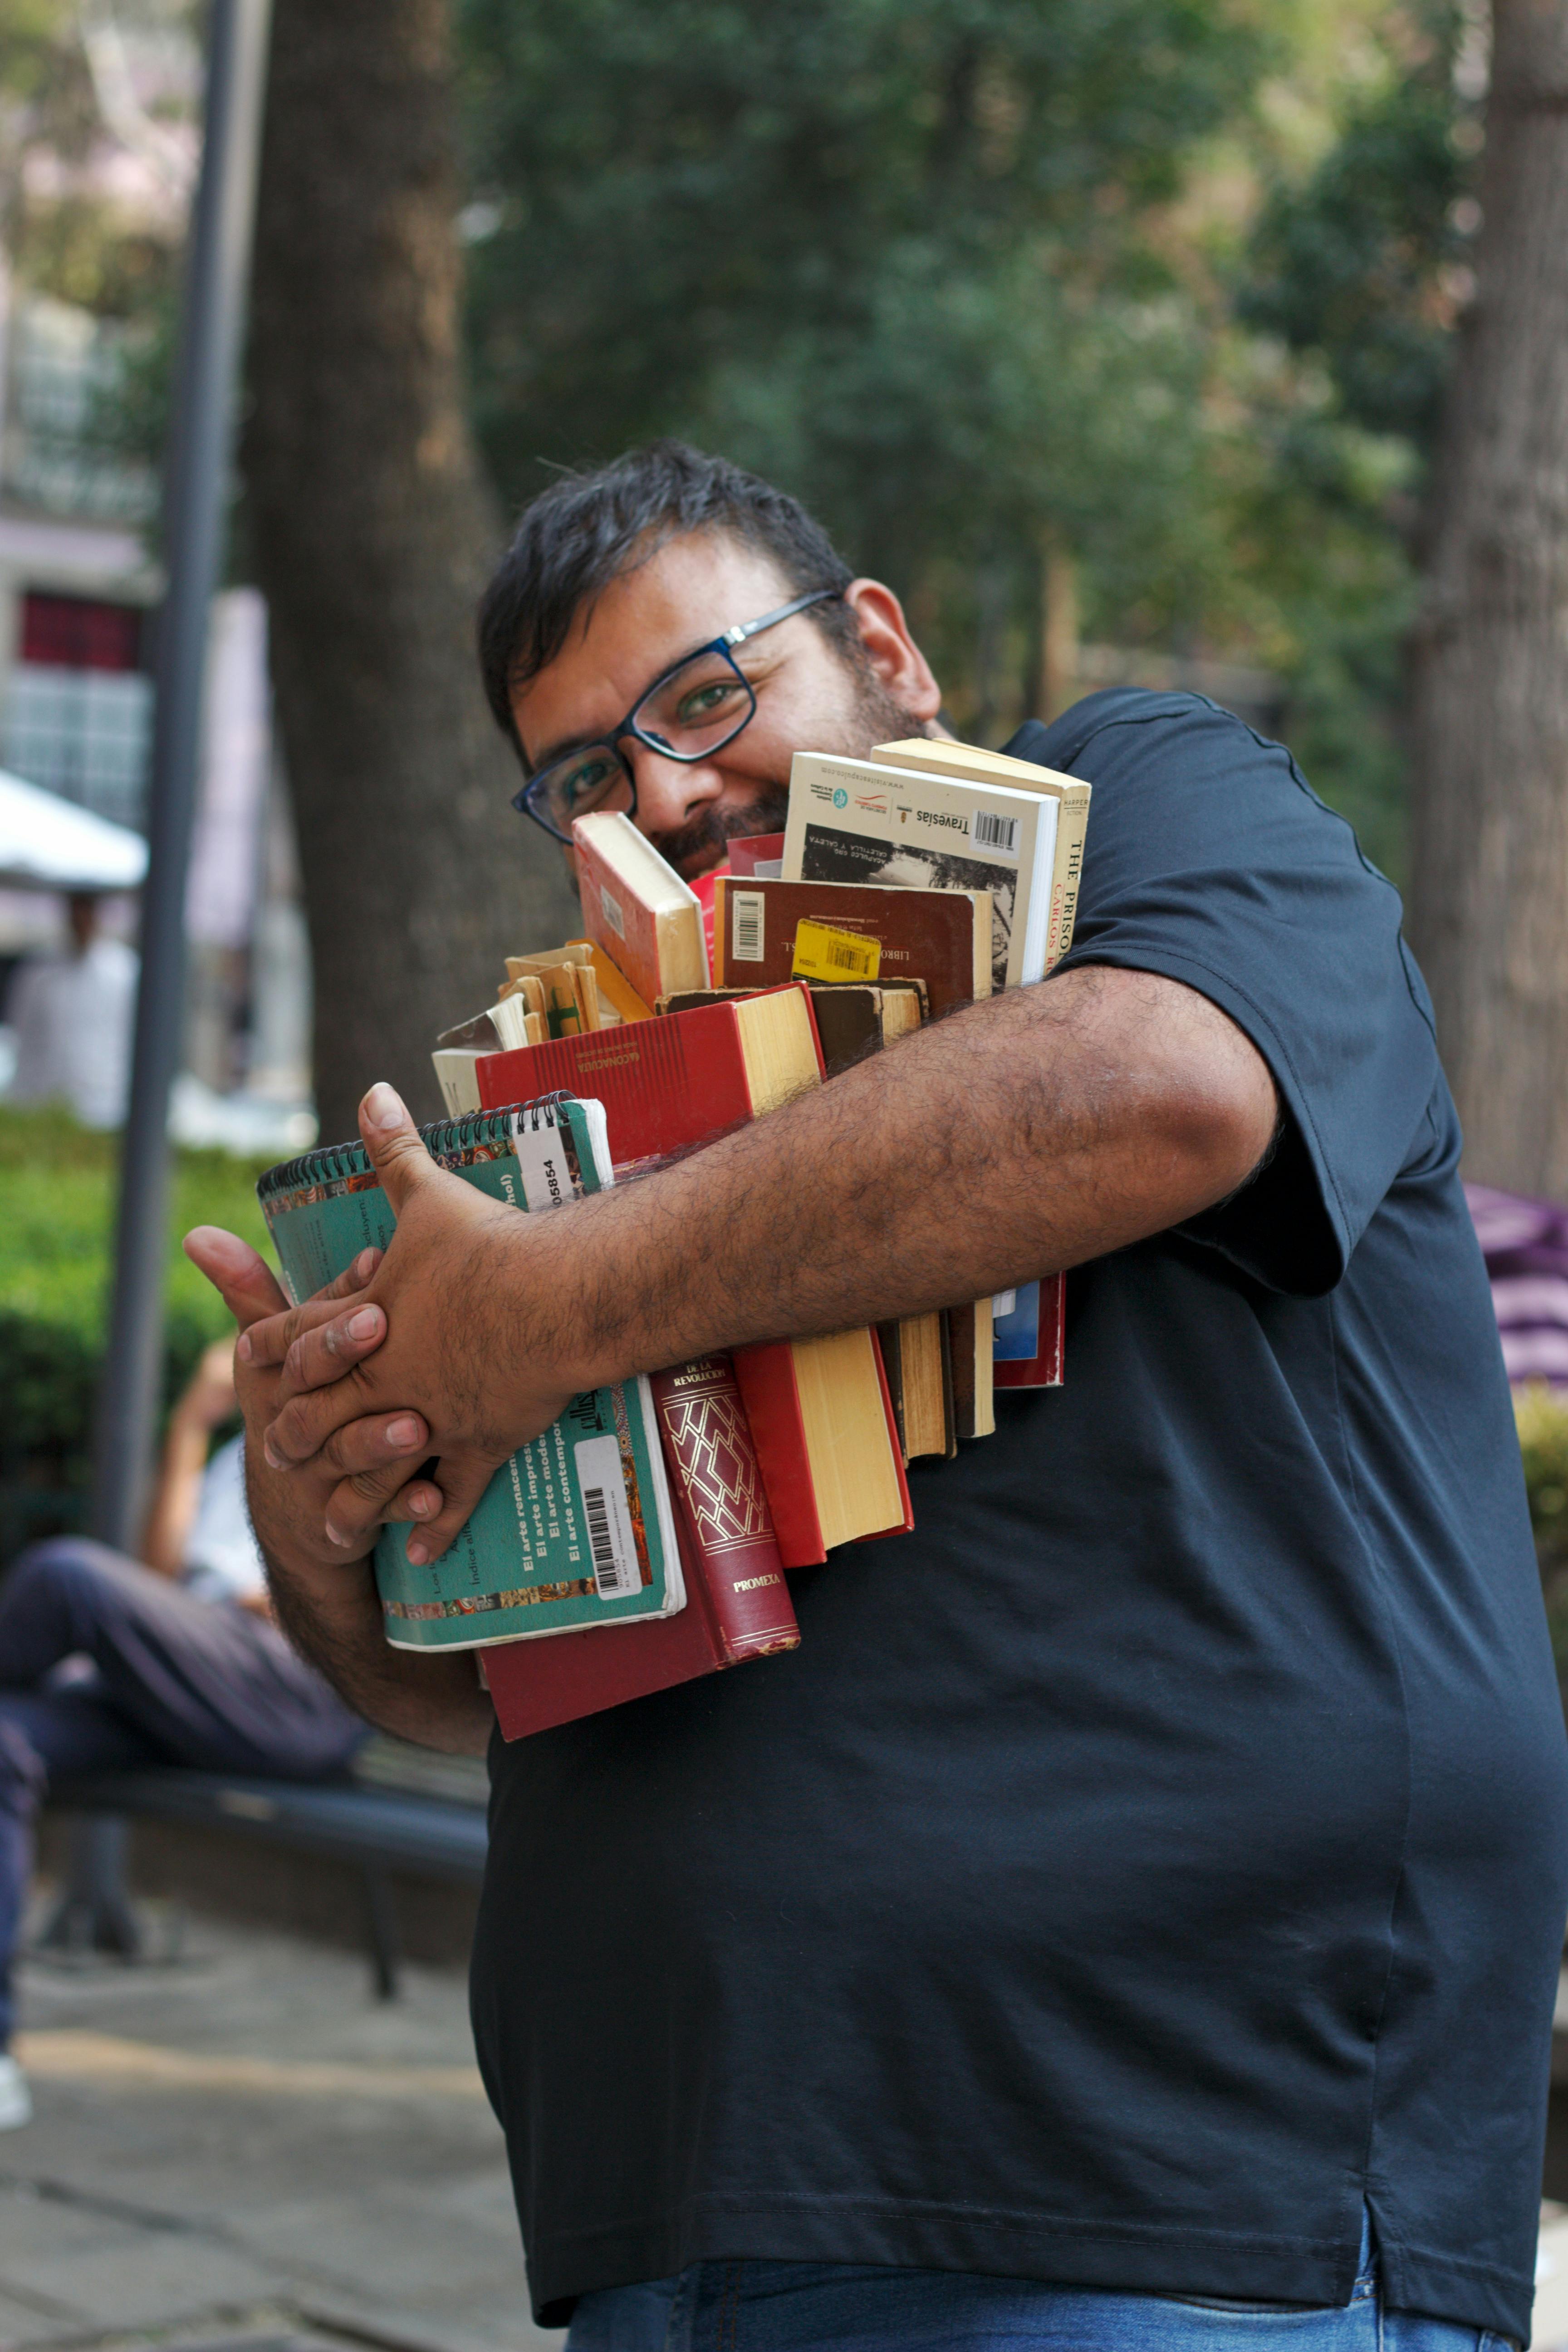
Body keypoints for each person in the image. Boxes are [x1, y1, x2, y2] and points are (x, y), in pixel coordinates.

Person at [185, 444, 1568, 2351]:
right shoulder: (580, 1093)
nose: (662, 792)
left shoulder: (1134, 795)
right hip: (668, 2184)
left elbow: (1171, 1083)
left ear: (883, 652)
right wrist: (326, 1496)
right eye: (586, 775)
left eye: (699, 694)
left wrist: (550, 1301)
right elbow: (448, 1677)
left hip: (1148, 2168)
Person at [0, 1335, 366, 2132]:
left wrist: (209, 1616)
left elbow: (349, 1612)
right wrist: (191, 1425)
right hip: (193, 1683)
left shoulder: (356, 1441)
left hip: (290, 1692)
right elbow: (161, 1575)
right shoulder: (242, 1449)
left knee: (69, 1572)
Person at [4, 890, 138, 1129]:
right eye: (78, 912)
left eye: (87, 913)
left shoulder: (124, 972)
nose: (82, 921)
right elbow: (23, 1036)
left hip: (105, 1105)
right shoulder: (39, 972)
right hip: (43, 1102)